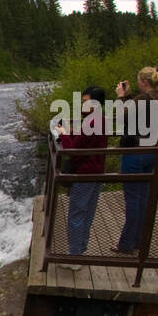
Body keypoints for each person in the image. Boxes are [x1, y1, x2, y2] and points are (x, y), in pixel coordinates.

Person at [113, 67, 158, 254]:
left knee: (133, 200)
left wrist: (121, 97)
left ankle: (126, 244)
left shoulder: (143, 99)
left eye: (138, 81)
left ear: (144, 82)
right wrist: (128, 97)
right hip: (151, 151)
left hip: (135, 152)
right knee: (143, 199)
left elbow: (121, 118)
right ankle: (139, 241)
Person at [54, 86, 108, 271]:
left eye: (86, 102)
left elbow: (73, 150)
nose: (83, 105)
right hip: (96, 171)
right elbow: (82, 141)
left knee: (76, 214)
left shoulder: (92, 122)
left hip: (85, 173)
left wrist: (63, 134)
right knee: (87, 213)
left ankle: (75, 257)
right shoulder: (99, 120)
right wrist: (71, 131)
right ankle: (80, 250)